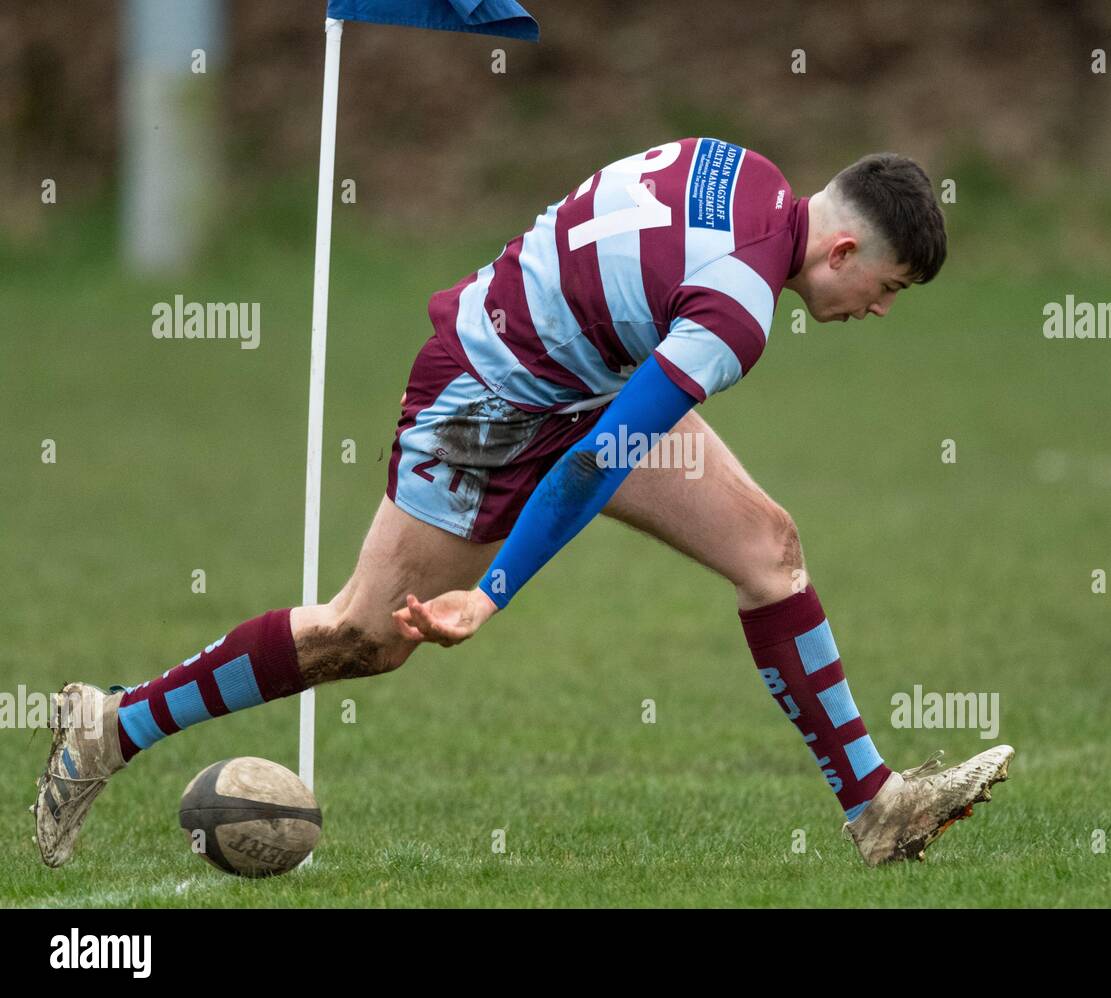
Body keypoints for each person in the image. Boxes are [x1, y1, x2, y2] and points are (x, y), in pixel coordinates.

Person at [36, 137, 1012, 870]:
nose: (877, 311)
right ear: (840, 248)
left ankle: (874, 806)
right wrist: (493, 590)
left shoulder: (742, 167)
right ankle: (113, 724)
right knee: (365, 636)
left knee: (768, 547)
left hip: (573, 369)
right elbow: (598, 458)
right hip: (489, 397)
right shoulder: (737, 311)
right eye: (883, 288)